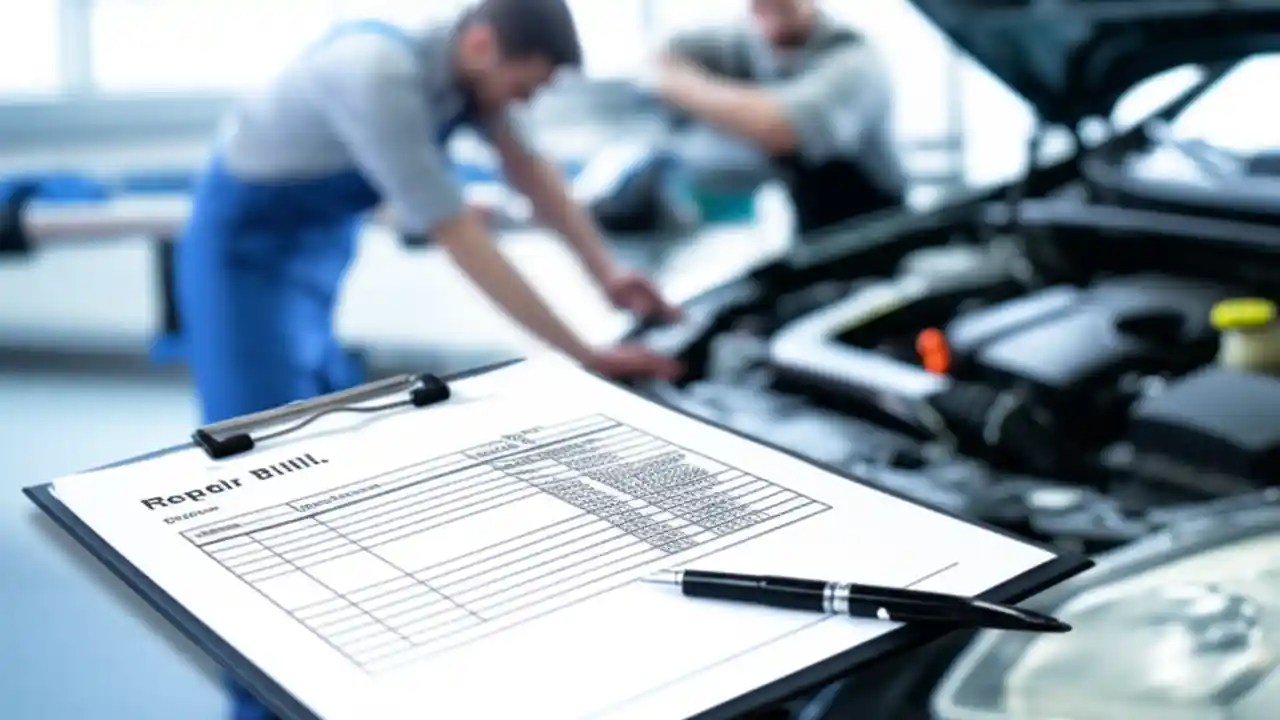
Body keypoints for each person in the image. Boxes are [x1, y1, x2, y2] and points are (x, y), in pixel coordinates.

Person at [174, 2, 680, 717]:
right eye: (525, 87)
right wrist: (584, 353)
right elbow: (460, 237)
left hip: (318, 248)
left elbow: (531, 170)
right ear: (483, 45)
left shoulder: (469, 74)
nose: (522, 104)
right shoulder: (375, 72)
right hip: (243, 261)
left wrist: (609, 275)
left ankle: (333, 668)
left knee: (321, 448)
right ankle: (261, 703)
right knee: (259, 483)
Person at [651, 0, 907, 235]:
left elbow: (784, 129)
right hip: (811, 229)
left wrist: (681, 87)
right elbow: (667, 54)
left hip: (876, 232)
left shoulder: (854, 61)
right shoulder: (753, 43)